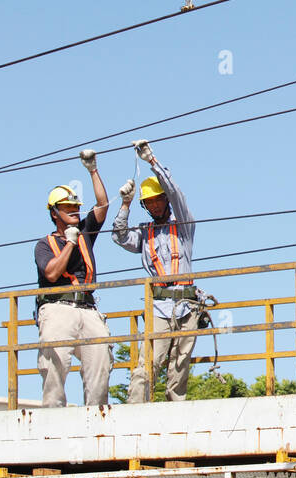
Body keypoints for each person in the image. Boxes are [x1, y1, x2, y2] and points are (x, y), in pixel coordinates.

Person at [113, 140, 200, 403]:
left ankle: (176, 414)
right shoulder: (144, 233)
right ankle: (134, 412)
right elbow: (119, 236)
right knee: (147, 365)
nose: (154, 206)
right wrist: (125, 205)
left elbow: (176, 193)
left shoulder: (183, 226)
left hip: (186, 304)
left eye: (157, 200)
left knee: (179, 370)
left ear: (165, 200)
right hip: (160, 307)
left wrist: (152, 161)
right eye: (148, 203)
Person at [33, 149, 111, 407]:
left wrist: (93, 171)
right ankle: (53, 417)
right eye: (68, 208)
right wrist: (69, 243)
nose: (75, 212)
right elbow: (53, 273)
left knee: (101, 363)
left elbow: (102, 206)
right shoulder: (44, 245)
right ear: (55, 213)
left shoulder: (86, 232)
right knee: (55, 367)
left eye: (76, 207)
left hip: (88, 307)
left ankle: (96, 417)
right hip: (57, 308)